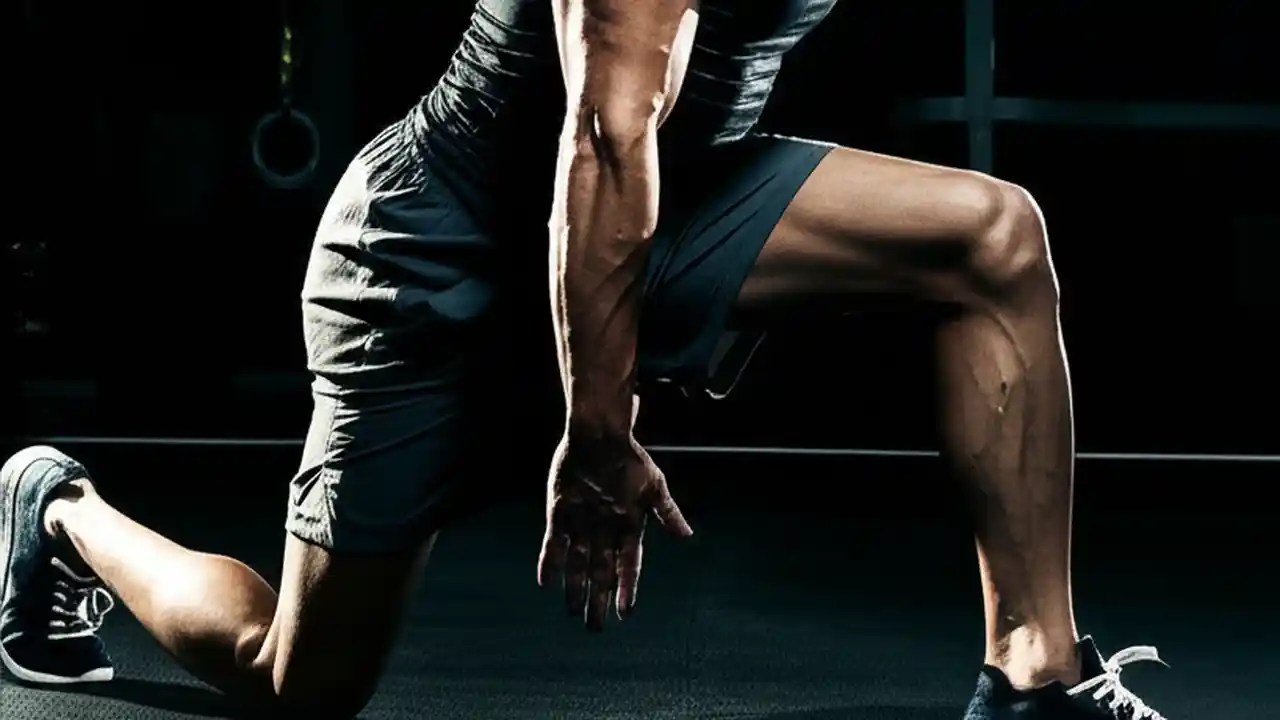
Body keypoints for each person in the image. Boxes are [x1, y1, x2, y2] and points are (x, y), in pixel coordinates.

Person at [1, 1, 1169, 717]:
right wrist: (600, 435)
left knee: (990, 238)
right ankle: (59, 508)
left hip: (677, 203)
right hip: (440, 262)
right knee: (299, 681)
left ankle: (1036, 680)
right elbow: (606, 133)